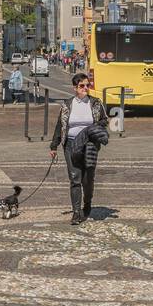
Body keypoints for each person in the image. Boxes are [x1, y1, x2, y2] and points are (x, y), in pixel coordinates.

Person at [50, 72, 110, 224]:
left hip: (89, 145)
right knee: (75, 178)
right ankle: (76, 212)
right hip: (70, 145)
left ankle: (87, 204)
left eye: (87, 85)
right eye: (82, 86)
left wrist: (92, 129)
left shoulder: (95, 103)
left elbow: (104, 120)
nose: (85, 88)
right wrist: (54, 145)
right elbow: (61, 125)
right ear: (75, 88)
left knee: (88, 179)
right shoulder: (67, 104)